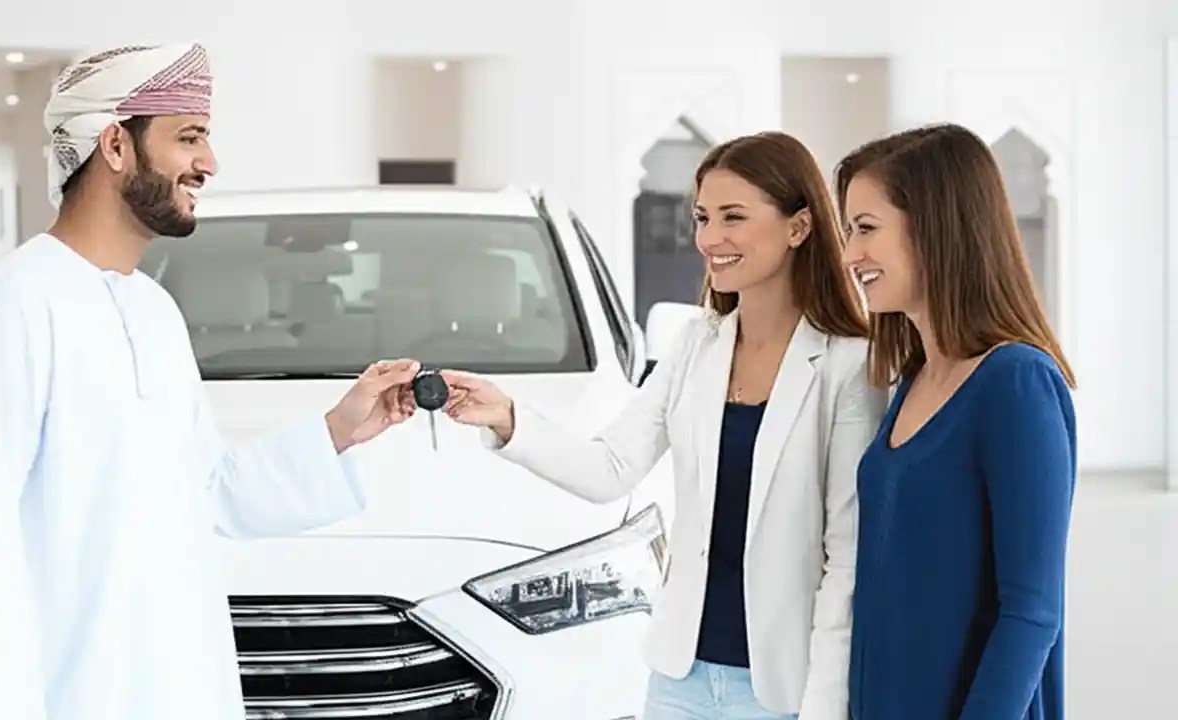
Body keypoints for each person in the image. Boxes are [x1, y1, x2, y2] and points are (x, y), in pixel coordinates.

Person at [0, 43, 420, 720]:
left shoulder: (153, 309)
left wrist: (340, 429)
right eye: (188, 138)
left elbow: (206, 495)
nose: (209, 163)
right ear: (114, 145)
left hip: (178, 687)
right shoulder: (12, 303)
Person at [438, 132, 887, 719]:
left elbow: (845, 560)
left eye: (733, 217)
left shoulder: (849, 364)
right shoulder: (695, 345)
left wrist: (824, 707)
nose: (709, 239)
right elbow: (610, 469)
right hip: (681, 679)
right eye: (702, 217)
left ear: (798, 227)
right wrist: (509, 418)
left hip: (783, 688)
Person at [836, 123, 1077, 720]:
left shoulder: (1015, 382)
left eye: (866, 229)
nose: (849, 255)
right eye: (848, 231)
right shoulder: (913, 378)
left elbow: (1032, 613)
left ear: (935, 229)